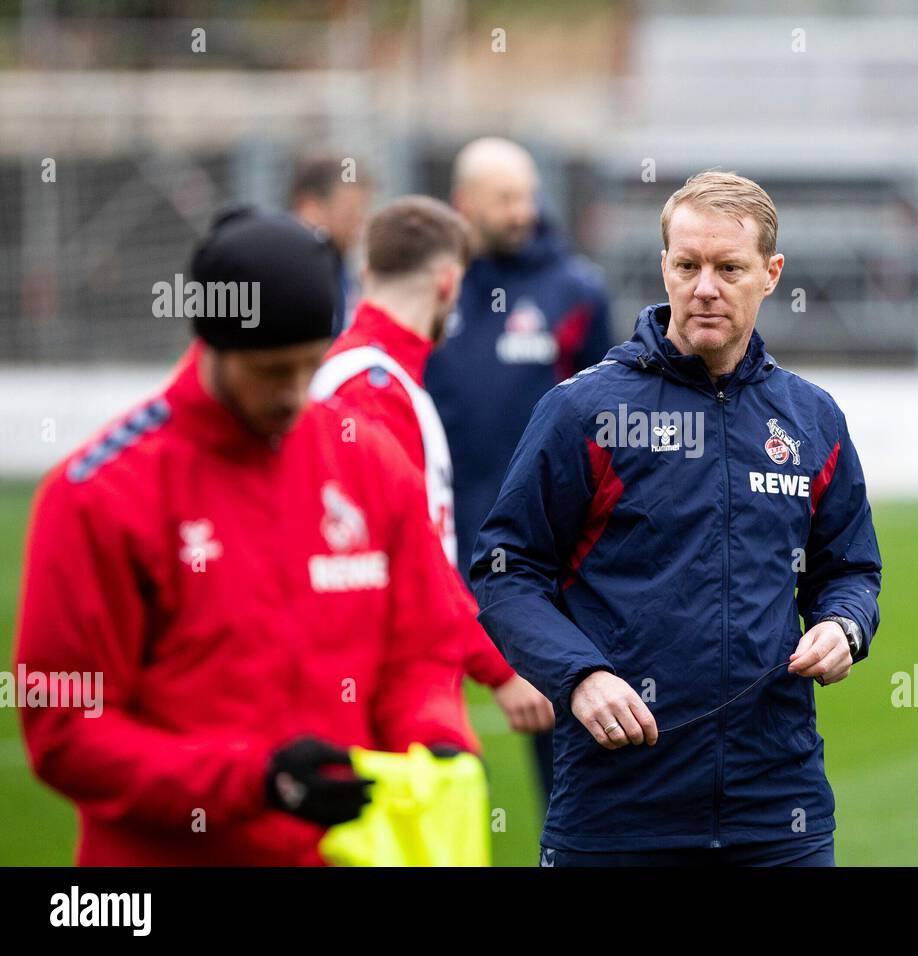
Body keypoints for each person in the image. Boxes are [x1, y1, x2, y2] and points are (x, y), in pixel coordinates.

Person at [15, 208, 477, 865]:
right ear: (211, 342)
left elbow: (423, 650)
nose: (294, 392)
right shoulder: (98, 494)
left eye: (309, 365)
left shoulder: (370, 464)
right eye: (270, 371)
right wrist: (256, 781)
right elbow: (65, 729)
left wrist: (432, 738)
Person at [470, 171, 883, 866]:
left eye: (728, 268)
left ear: (771, 273)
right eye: (687, 266)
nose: (704, 287)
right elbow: (506, 571)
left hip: (777, 808)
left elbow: (850, 568)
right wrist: (580, 676)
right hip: (617, 809)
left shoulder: (811, 419)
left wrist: (846, 624)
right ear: (664, 266)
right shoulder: (583, 412)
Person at [310, 195, 553, 747]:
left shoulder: (377, 376)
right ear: (448, 281)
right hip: (382, 705)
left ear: (367, 270)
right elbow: (410, 557)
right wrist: (499, 669)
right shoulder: (372, 390)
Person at [424, 137, 612, 801]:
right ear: (463, 204)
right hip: (436, 552)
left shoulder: (577, 289)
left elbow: (609, 423)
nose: (521, 211)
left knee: (564, 751)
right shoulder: (434, 289)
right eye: (504, 198)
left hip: (546, 560)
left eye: (528, 195)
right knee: (424, 746)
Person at [289, 153, 373, 335]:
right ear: (309, 208)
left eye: (362, 212)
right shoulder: (288, 276)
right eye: (350, 213)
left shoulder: (338, 266)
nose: (360, 224)